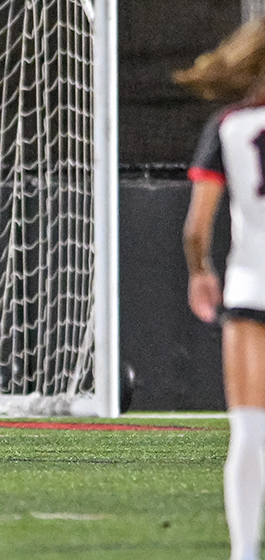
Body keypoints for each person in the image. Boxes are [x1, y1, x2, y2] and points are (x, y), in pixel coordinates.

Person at [176, 17, 265, 560]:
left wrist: (200, 272)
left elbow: (195, 229)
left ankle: (242, 552)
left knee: (249, 430)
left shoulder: (228, 125)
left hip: (251, 289)